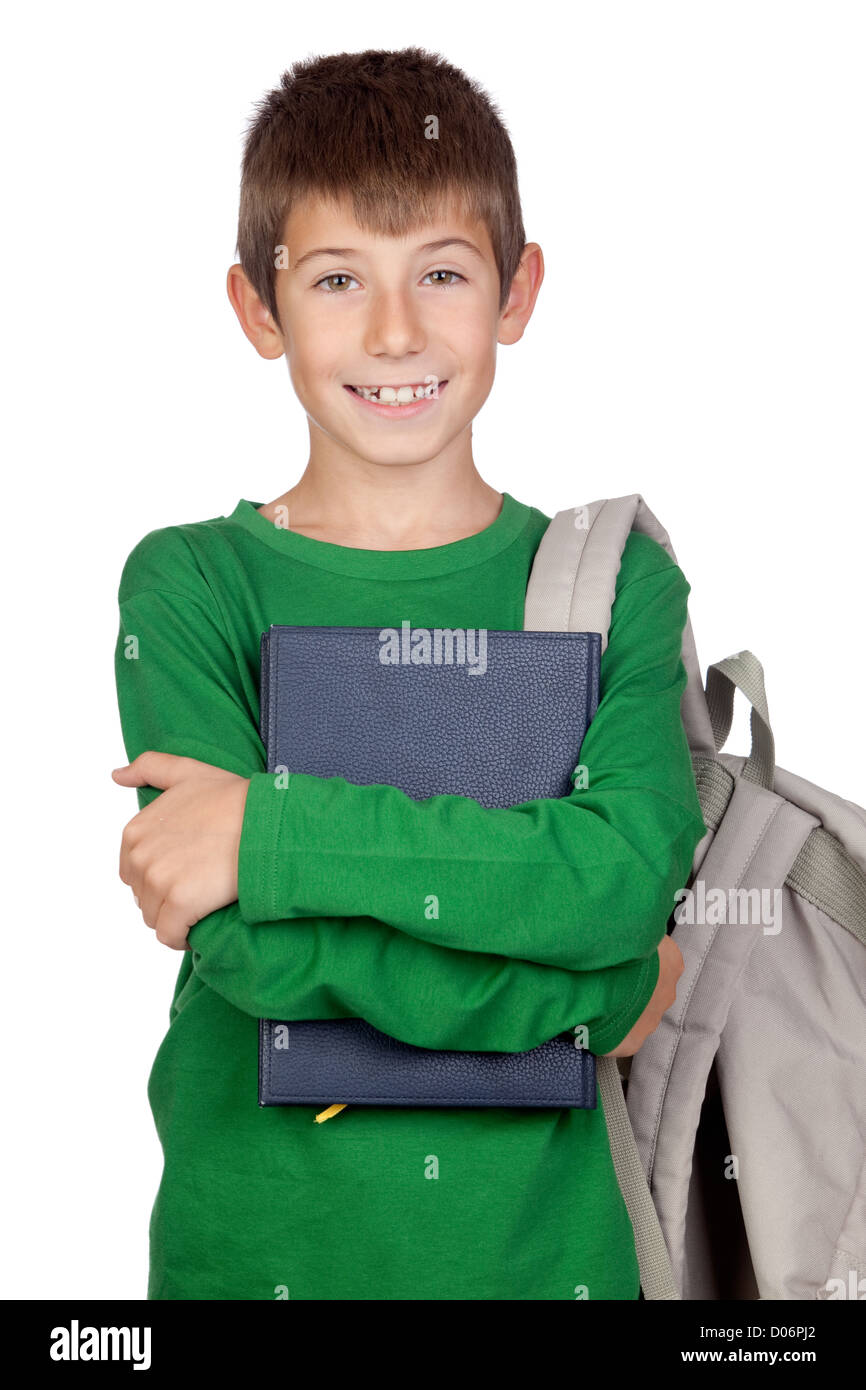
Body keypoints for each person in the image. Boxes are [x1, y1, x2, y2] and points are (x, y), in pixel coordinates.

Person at [112, 46, 702, 1300]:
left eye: (440, 271)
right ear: (256, 309)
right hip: (252, 1265)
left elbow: (619, 876)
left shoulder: (611, 585)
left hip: (548, 1271)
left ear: (516, 288)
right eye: (336, 279)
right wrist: (591, 994)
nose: (393, 333)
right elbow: (245, 957)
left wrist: (271, 838)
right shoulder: (190, 583)